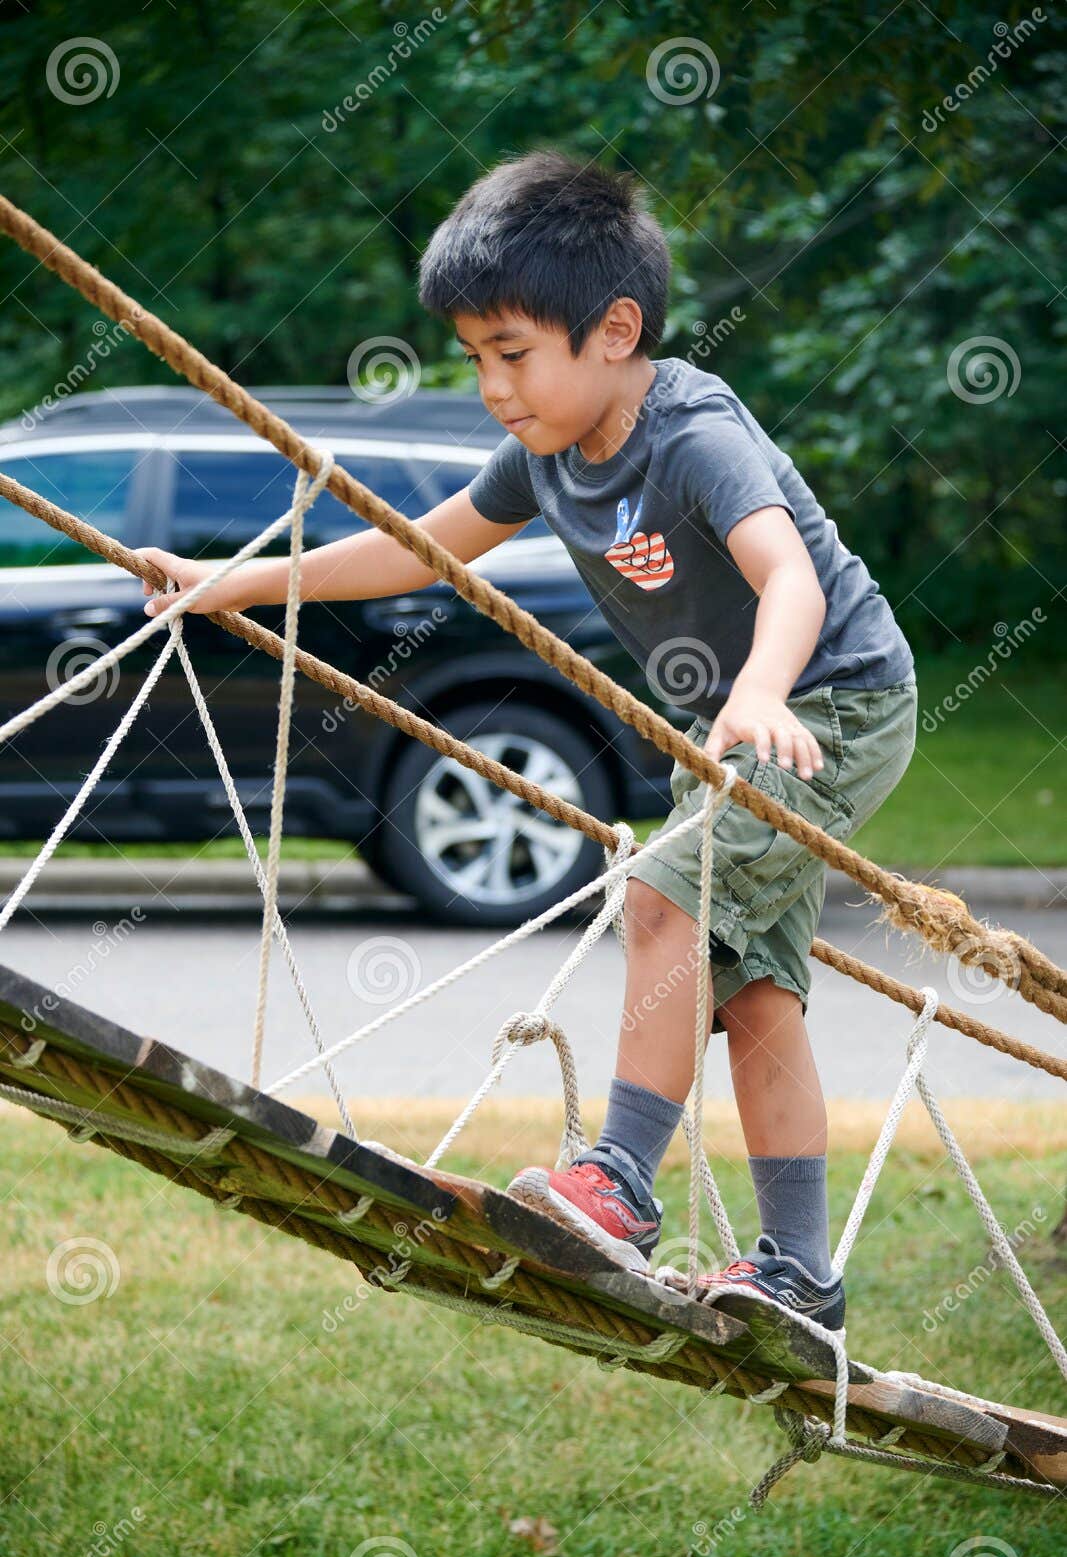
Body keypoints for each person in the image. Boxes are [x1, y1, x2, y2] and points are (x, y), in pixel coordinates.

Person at [140, 149, 918, 1333]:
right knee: (752, 991)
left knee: (664, 903)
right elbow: (417, 548)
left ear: (612, 330)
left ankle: (616, 1184)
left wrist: (760, 689)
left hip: (828, 703)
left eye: (512, 354)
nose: (494, 386)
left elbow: (788, 576)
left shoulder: (692, 430)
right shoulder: (545, 454)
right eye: (474, 358)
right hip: (733, 735)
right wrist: (229, 586)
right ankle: (799, 1276)